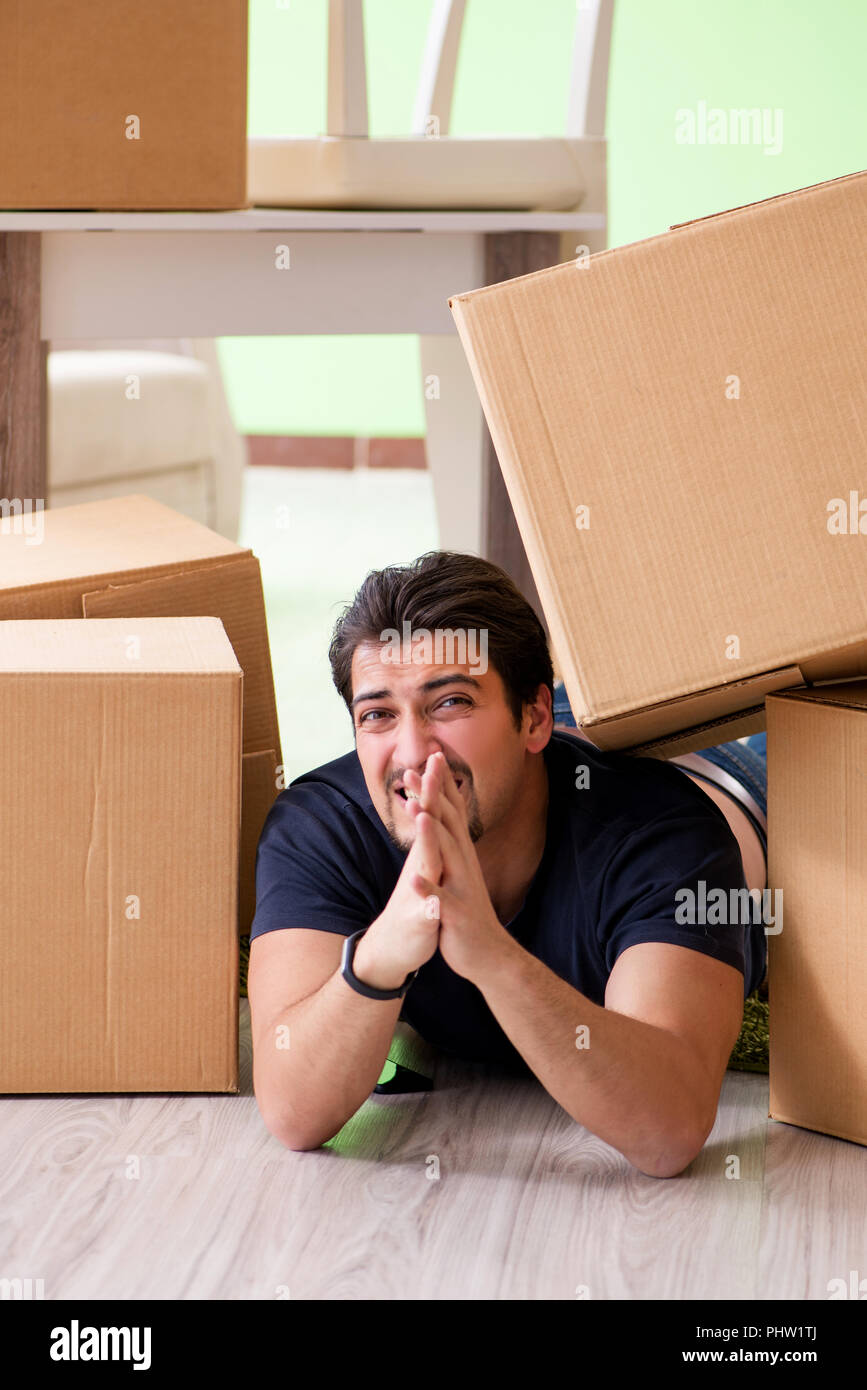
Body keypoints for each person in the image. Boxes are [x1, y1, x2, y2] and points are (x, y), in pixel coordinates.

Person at [248, 551, 771, 1178]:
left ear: (534, 716)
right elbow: (291, 1110)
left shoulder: (660, 832)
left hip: (718, 775)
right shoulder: (320, 825)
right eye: (378, 714)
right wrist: (381, 953)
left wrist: (490, 953)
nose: (412, 753)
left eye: (449, 704)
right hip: (529, 741)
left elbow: (670, 1132)